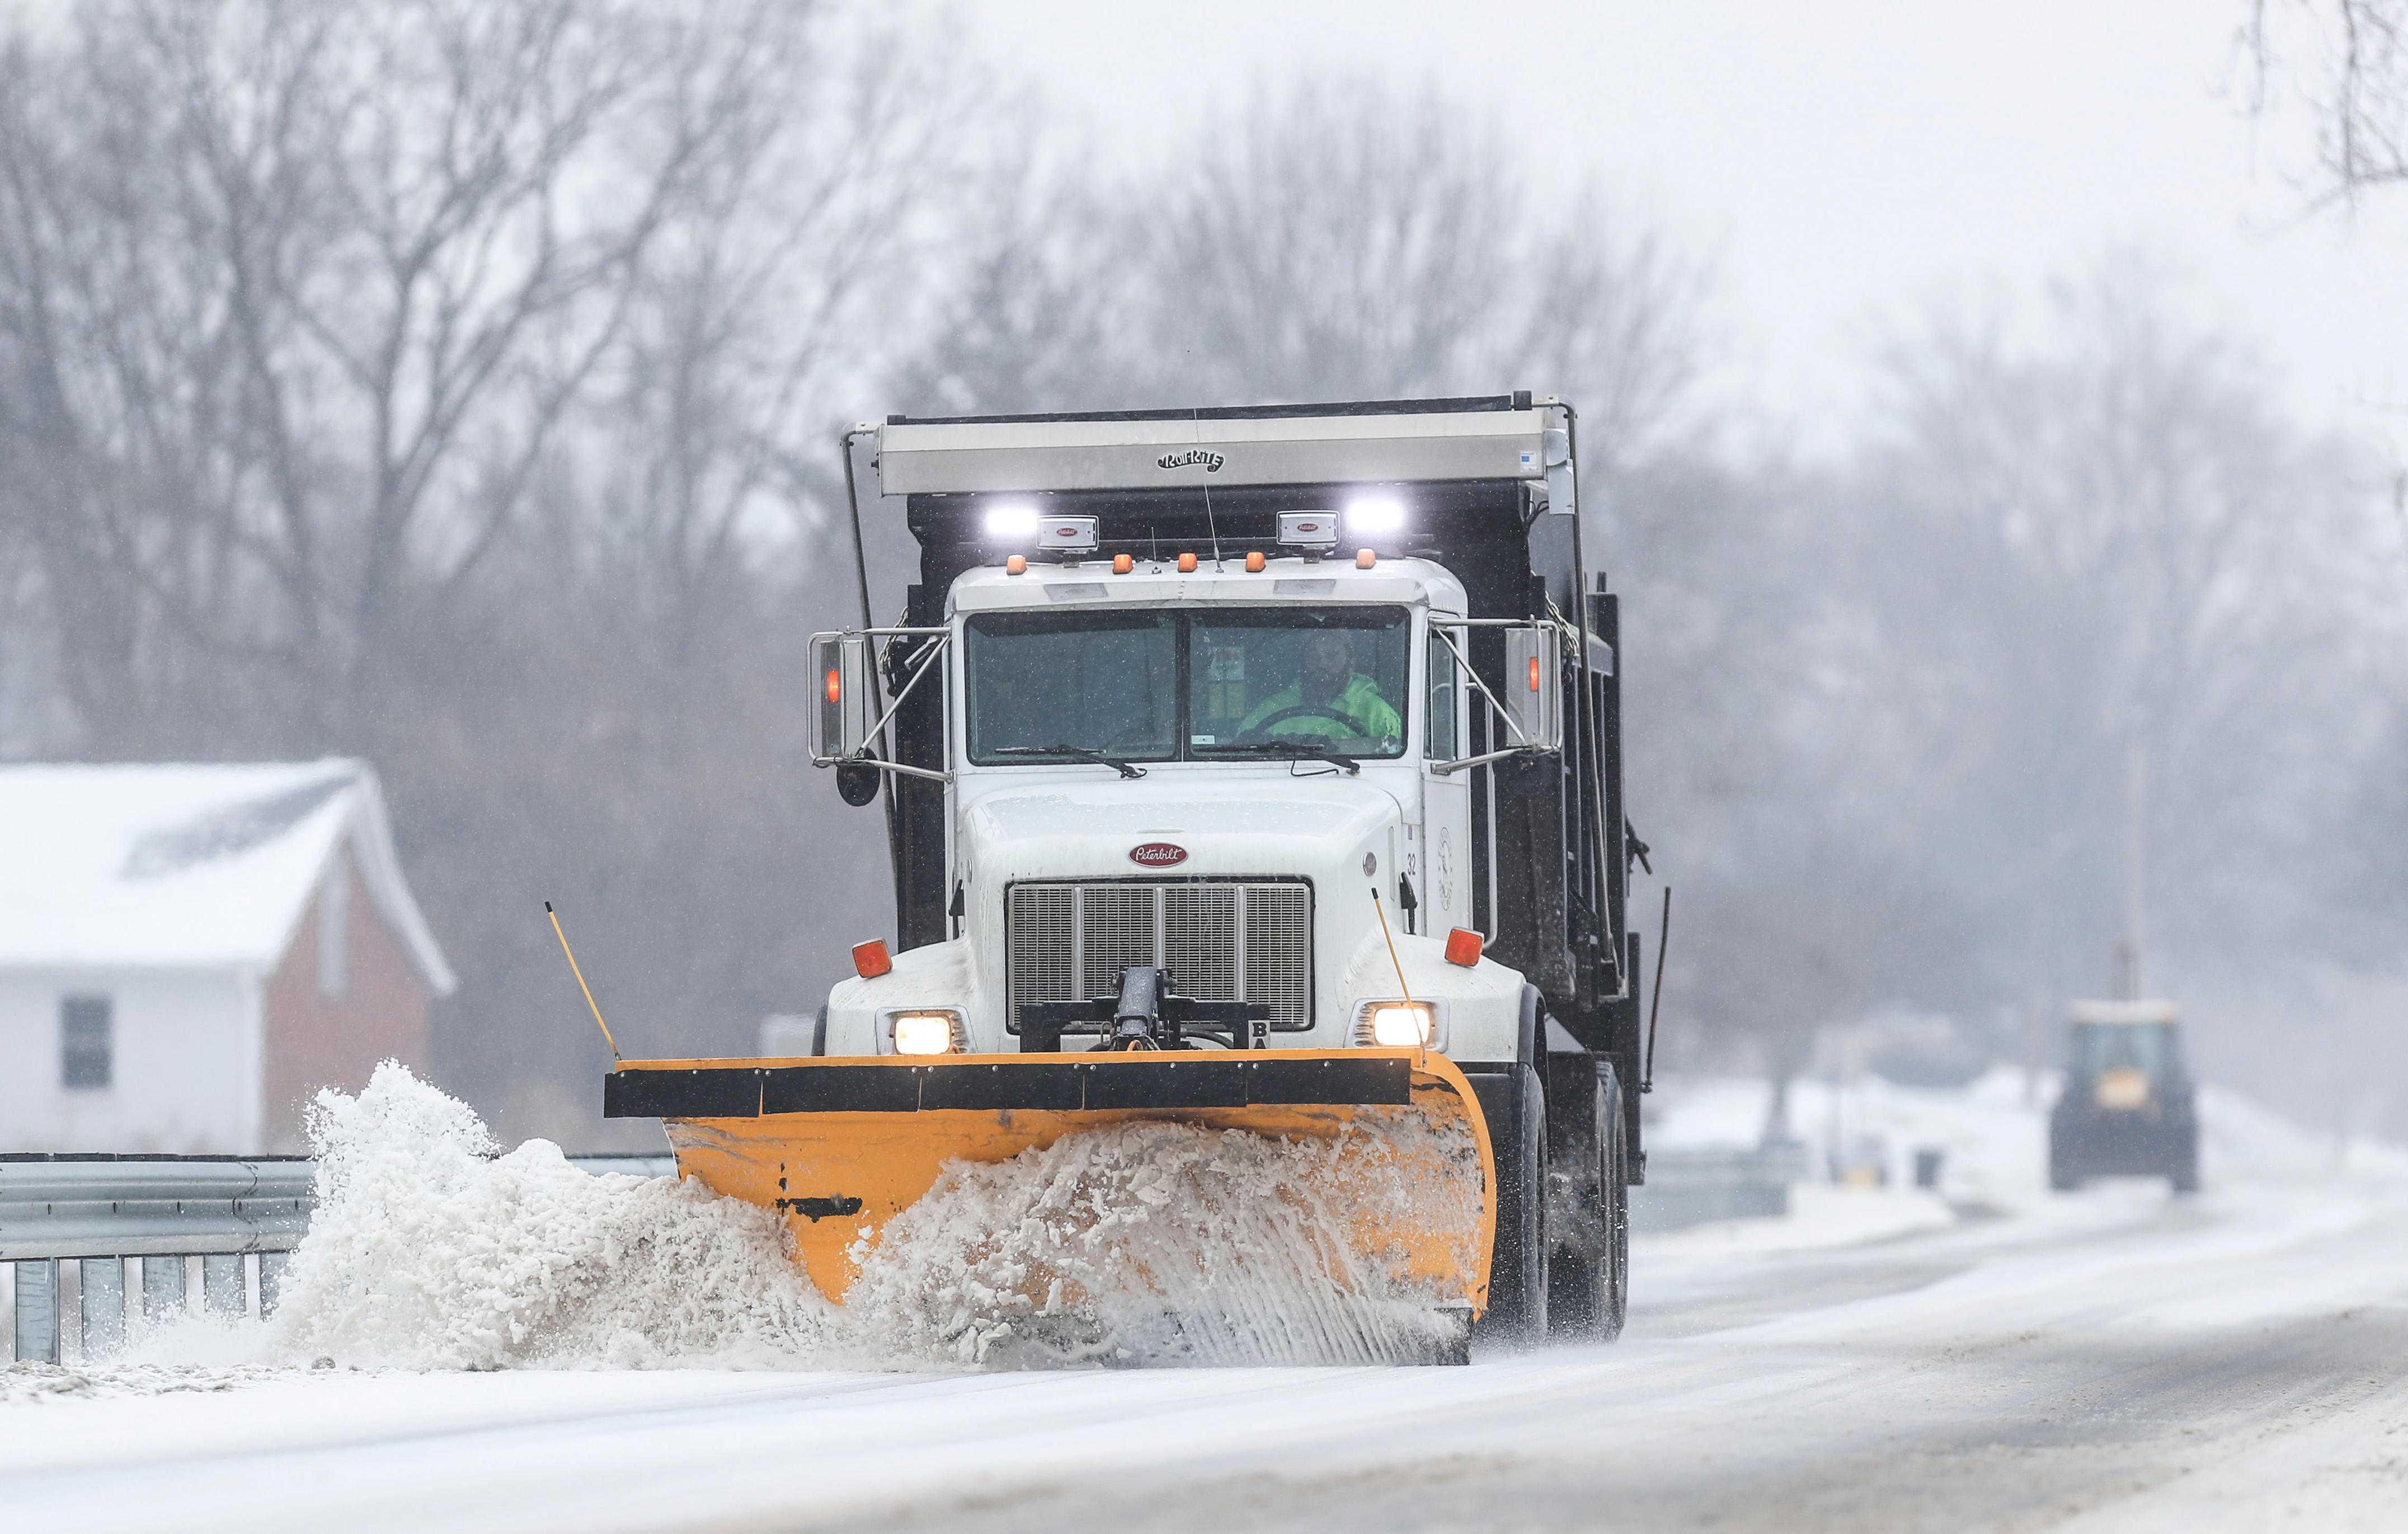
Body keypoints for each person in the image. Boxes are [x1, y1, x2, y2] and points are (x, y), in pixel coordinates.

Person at [1238, 630, 1400, 743]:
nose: (1321, 663)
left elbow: (1398, 770)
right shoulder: (1272, 708)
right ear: (1303, 663)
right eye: (1313, 655)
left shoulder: (1377, 712)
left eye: (1332, 655)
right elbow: (1241, 748)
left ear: (1351, 663)